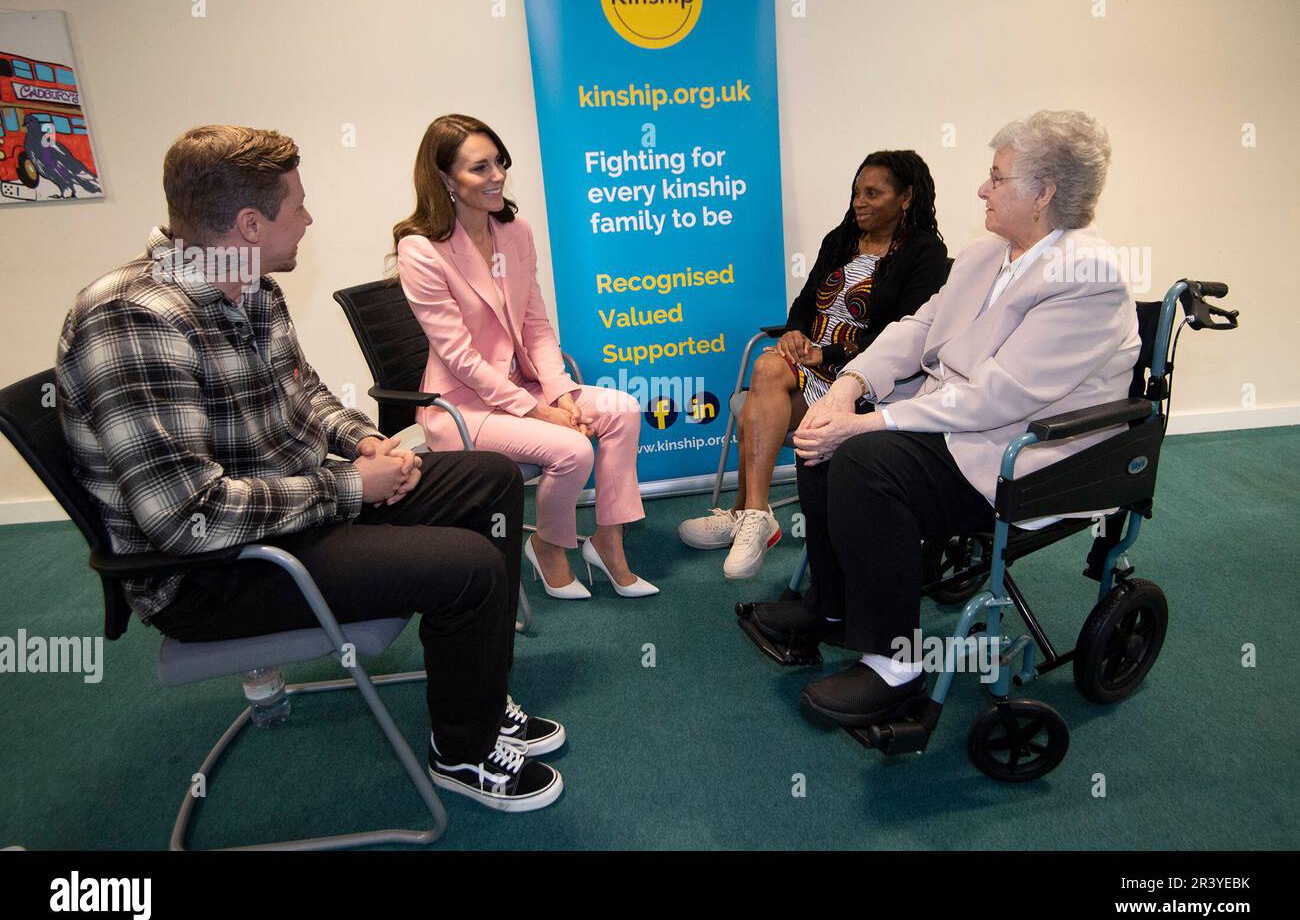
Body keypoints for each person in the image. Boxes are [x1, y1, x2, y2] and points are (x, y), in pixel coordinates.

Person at [55, 126, 565, 812]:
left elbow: (309, 394)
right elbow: (186, 517)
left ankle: (479, 692)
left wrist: (362, 443)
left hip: (293, 509)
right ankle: (463, 752)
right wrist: (350, 486)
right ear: (247, 223)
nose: (309, 218)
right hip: (215, 570)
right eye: (297, 206)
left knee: (491, 477)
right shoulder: (132, 319)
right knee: (469, 565)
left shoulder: (250, 286)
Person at [745, 110, 1140, 727]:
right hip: (956, 426)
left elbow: (1001, 397)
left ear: (1043, 193)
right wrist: (848, 388)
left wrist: (872, 424)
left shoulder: (1088, 280)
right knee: (822, 435)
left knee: (867, 461)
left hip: (1023, 454)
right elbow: (916, 328)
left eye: (996, 176)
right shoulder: (988, 254)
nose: (982, 188)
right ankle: (831, 605)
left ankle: (896, 665)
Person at [395, 114, 656, 600]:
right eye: (480, 168)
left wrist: (560, 392)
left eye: (500, 163)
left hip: (528, 386)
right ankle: (548, 545)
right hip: (461, 405)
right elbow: (459, 357)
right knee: (572, 448)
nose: (496, 176)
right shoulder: (421, 250)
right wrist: (540, 411)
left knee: (622, 409)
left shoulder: (515, 231)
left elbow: (535, 323)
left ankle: (608, 541)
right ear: (445, 179)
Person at [678, 151, 949, 579]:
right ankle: (754, 516)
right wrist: (794, 333)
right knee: (768, 366)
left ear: (906, 197)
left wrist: (829, 354)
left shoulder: (925, 253)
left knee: (757, 400)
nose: (859, 202)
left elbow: (907, 334)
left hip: (866, 384)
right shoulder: (840, 240)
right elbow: (803, 305)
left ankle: (746, 514)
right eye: (857, 192)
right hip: (810, 368)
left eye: (873, 193)